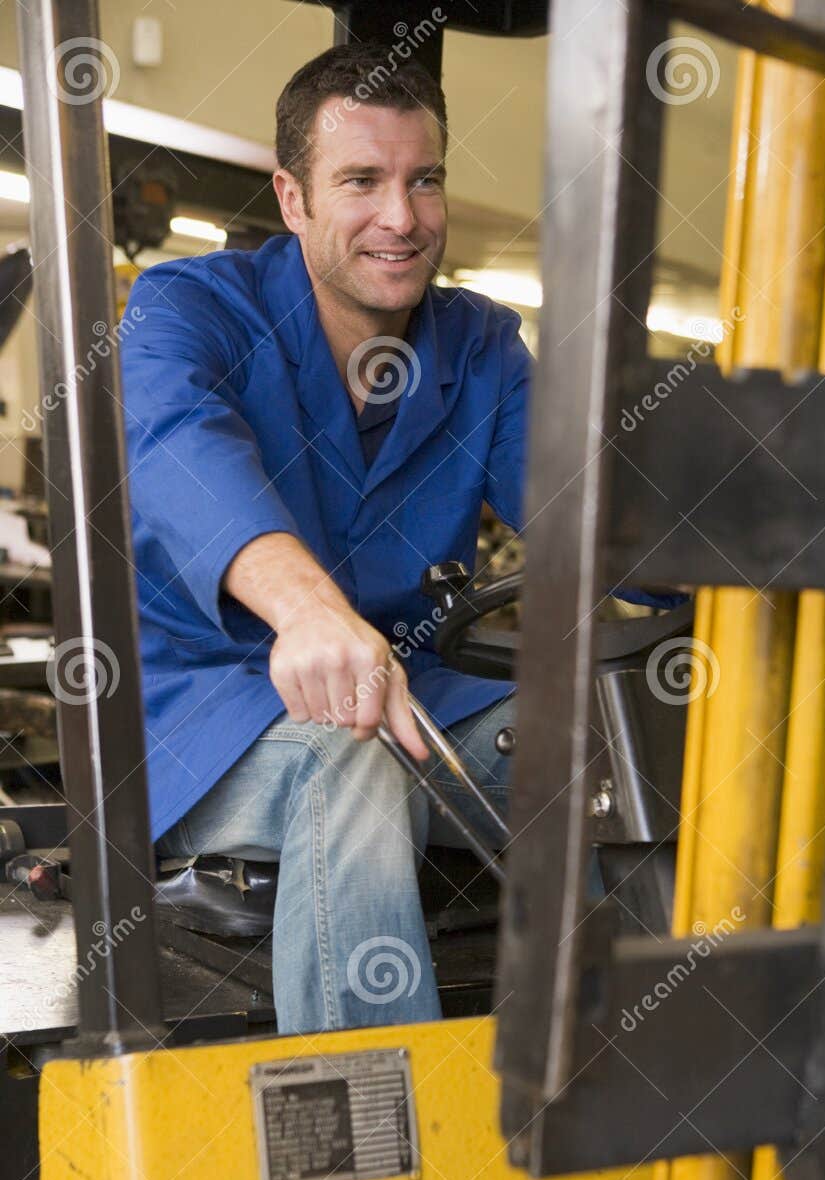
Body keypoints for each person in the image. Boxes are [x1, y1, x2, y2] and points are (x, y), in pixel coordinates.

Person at [121, 44, 527, 1033]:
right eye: (360, 181)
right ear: (292, 198)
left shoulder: (479, 345)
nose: (401, 216)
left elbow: (597, 509)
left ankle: (621, 1084)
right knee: (347, 756)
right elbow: (175, 450)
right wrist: (308, 612)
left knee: (595, 744)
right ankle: (368, 1160)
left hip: (416, 698)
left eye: (422, 179)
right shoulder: (188, 311)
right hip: (206, 714)